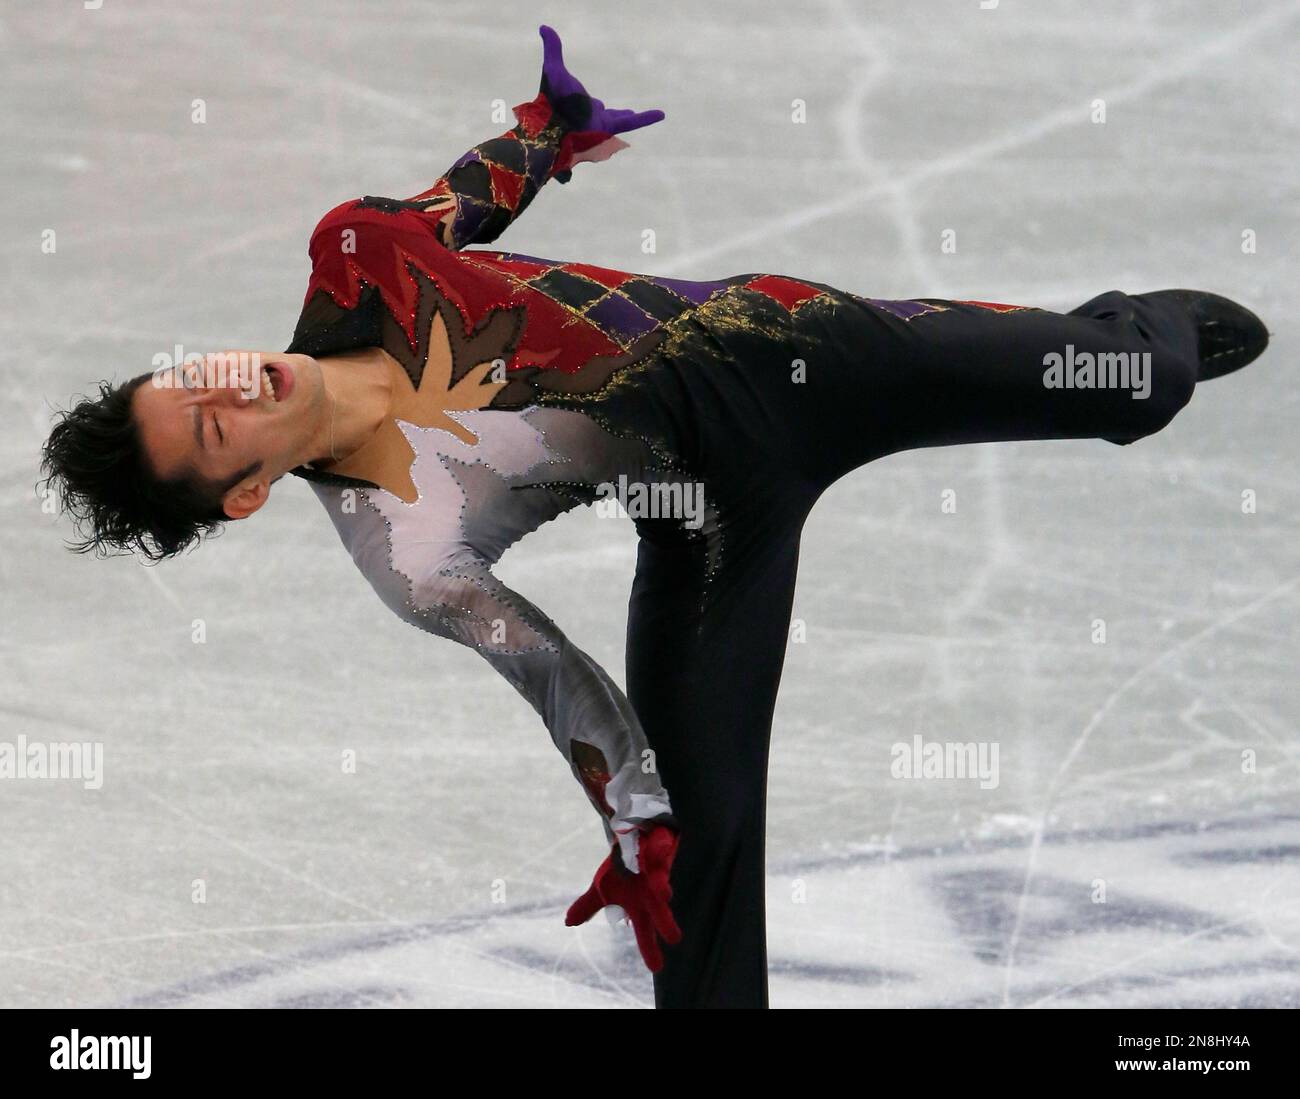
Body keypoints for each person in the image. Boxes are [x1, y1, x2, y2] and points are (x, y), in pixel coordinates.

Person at [40, 24, 1269, 1008]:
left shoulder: (355, 253)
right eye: (208, 428)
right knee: (701, 859)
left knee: (1132, 383)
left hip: (797, 351)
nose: (225, 385)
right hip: (706, 522)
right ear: (245, 495)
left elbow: (457, 205)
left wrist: (547, 132)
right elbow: (555, 675)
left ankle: (1134, 324)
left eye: (190, 373)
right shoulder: (406, 547)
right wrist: (635, 820)